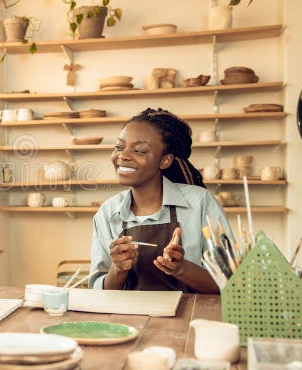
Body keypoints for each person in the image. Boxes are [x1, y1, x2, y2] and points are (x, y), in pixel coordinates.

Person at [89, 108, 234, 293]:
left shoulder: (200, 203)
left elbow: (230, 285)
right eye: (119, 147)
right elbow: (100, 294)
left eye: (139, 150)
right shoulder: (108, 212)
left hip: (191, 319)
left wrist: (182, 269)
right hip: (129, 321)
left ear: (165, 160)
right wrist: (117, 269)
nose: (123, 155)